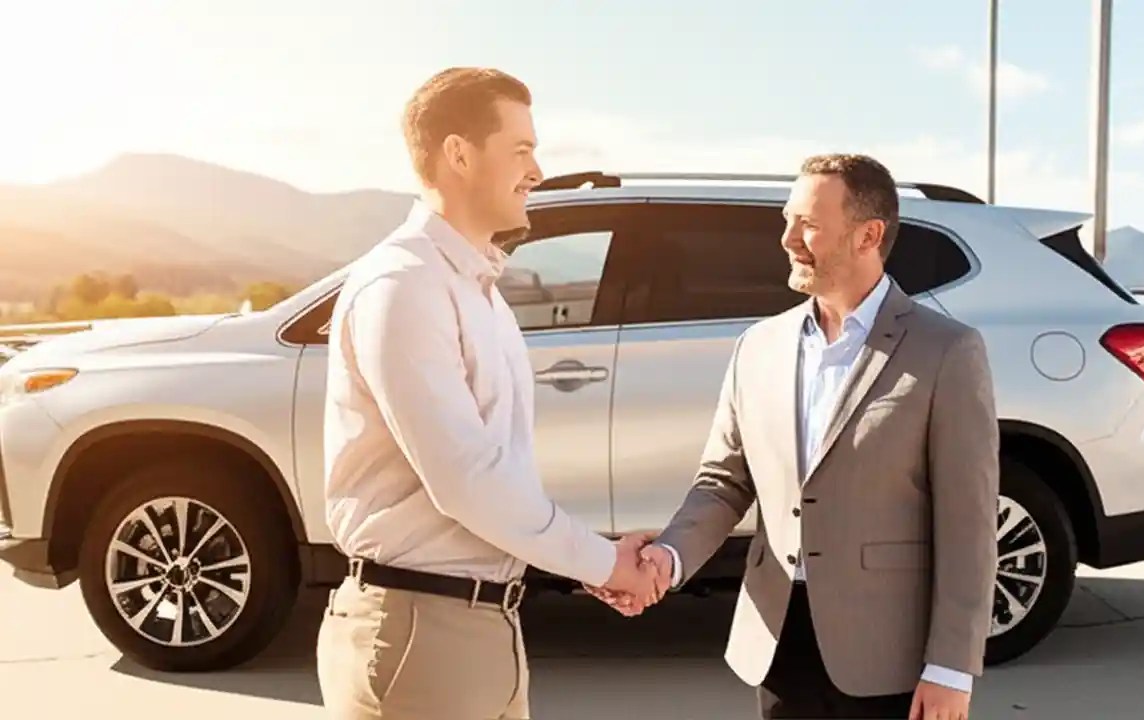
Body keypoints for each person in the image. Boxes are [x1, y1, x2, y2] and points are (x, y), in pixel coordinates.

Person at [601, 154, 999, 719]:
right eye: (788, 221)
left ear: (869, 235)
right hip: (777, 641)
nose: (787, 240)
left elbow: (968, 524)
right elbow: (722, 482)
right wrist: (668, 558)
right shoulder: (759, 346)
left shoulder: (947, 351)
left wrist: (952, 667)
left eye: (808, 224)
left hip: (890, 656)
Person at [316, 67, 659, 720]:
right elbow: (466, 478)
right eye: (521, 150)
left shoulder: (479, 292)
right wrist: (603, 562)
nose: (536, 171)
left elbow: (499, 474)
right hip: (421, 634)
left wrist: (588, 561)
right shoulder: (404, 286)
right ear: (458, 154)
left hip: (484, 626)